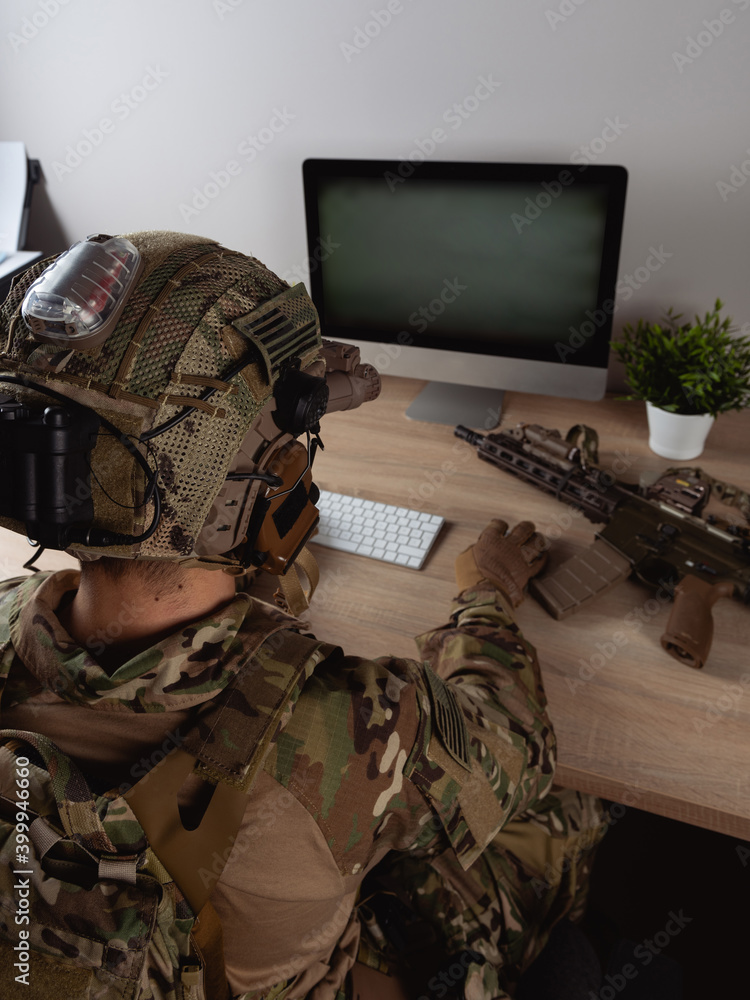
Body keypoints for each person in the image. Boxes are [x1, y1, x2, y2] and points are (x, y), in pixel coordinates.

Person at [0, 231, 608, 999]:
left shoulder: (8, 618)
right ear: (275, 478)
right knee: (569, 818)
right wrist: (486, 595)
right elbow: (516, 746)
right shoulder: (358, 722)